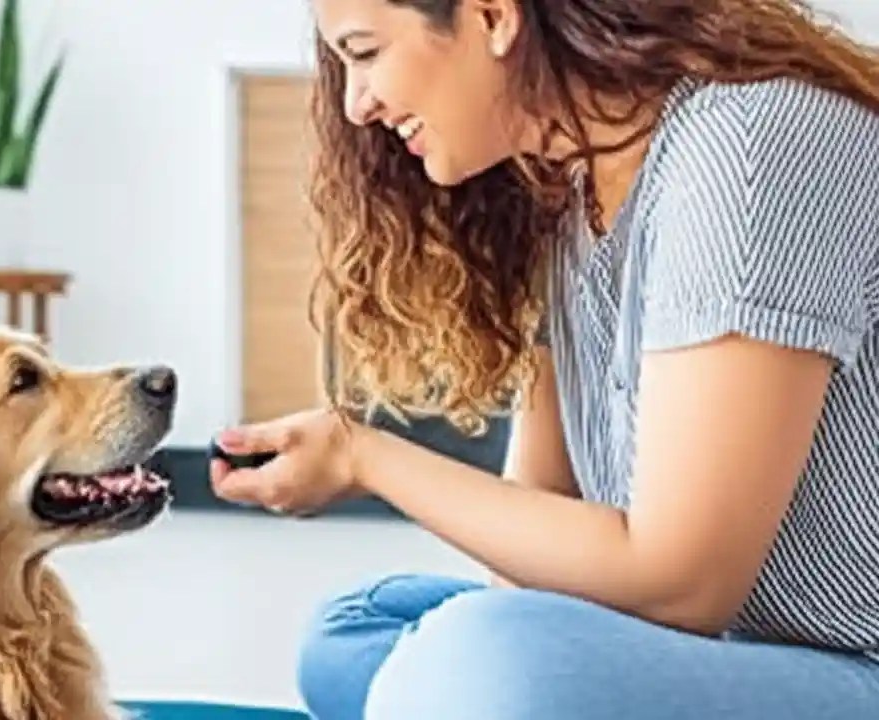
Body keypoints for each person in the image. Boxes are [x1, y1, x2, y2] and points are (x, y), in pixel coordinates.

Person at [208, 1, 879, 718]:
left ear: (493, 15)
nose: (356, 103)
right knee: (351, 636)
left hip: (846, 660)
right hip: (726, 649)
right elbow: (528, 555)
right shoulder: (575, 191)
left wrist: (363, 458)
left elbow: (683, 582)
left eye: (366, 52)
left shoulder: (751, 149)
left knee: (476, 656)